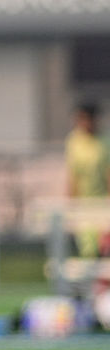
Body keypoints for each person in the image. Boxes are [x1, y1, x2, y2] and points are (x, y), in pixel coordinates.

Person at [64, 101, 110, 256]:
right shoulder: (74, 141)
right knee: (87, 249)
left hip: (102, 202)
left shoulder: (105, 142)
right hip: (83, 204)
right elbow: (73, 176)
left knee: (104, 248)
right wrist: (70, 204)